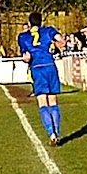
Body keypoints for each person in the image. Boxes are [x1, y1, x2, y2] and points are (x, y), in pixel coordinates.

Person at [18, 11, 64, 144]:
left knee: (42, 102)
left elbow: (26, 57)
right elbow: (60, 39)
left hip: (37, 69)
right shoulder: (49, 30)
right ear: (41, 21)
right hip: (50, 66)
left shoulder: (23, 36)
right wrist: (58, 45)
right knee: (53, 101)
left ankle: (52, 134)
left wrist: (28, 58)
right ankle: (57, 132)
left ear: (29, 23)